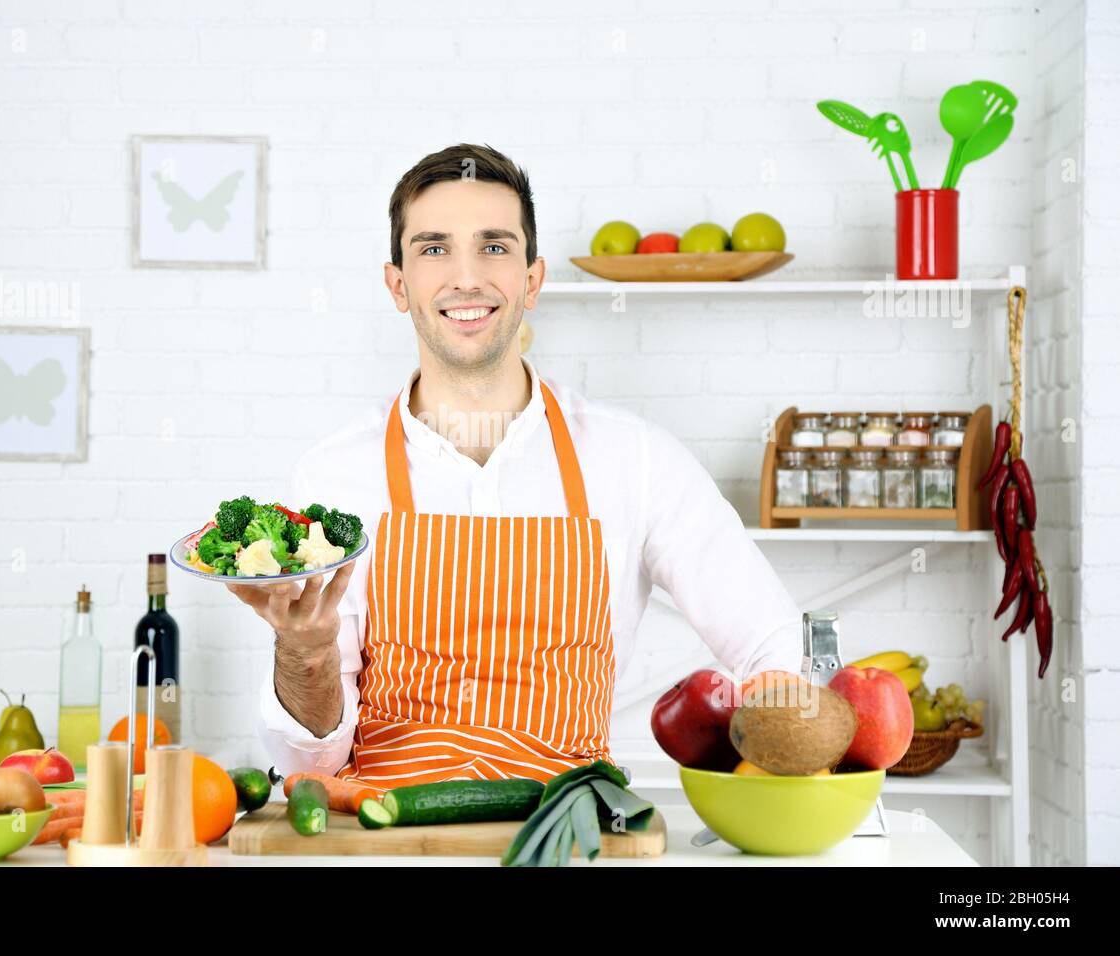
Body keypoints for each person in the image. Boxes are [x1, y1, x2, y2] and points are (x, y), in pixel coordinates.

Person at [230, 143, 802, 785]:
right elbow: (310, 764)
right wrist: (303, 656)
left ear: (532, 279)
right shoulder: (335, 476)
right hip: (385, 842)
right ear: (399, 284)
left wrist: (779, 781)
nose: (467, 277)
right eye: (434, 248)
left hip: (568, 839)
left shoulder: (635, 459)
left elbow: (773, 645)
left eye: (495, 247)